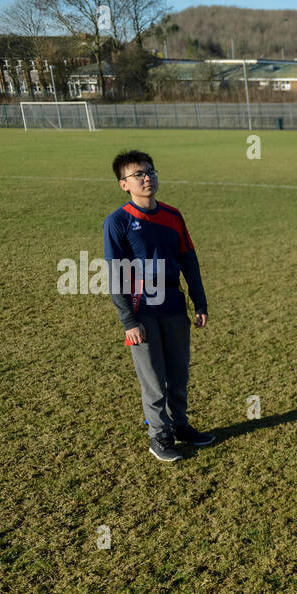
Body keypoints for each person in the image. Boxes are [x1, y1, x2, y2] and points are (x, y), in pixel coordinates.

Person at [104, 149, 213, 462]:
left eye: (150, 171)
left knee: (178, 375)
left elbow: (189, 262)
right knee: (153, 380)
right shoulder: (117, 222)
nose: (147, 178)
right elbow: (116, 276)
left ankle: (180, 425)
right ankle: (159, 437)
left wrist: (199, 302)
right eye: (138, 174)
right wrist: (128, 321)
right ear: (124, 184)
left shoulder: (173, 216)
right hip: (142, 312)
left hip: (174, 306)